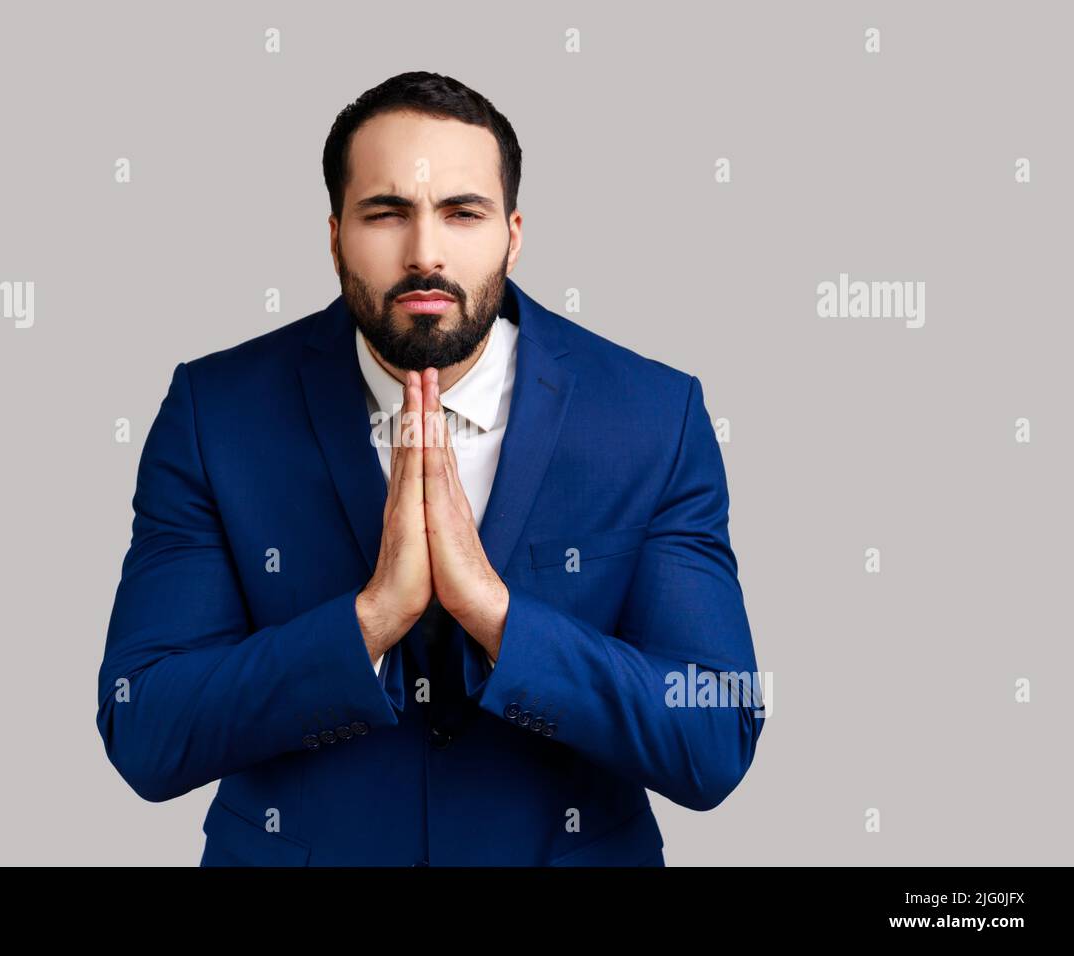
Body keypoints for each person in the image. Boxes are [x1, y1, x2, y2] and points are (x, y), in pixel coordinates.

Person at [96, 71, 764, 866]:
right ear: (336, 232)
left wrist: (496, 617)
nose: (426, 254)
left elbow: (715, 730)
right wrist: (369, 620)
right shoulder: (216, 412)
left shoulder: (652, 416)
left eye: (462, 212)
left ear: (513, 233)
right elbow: (146, 725)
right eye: (387, 214)